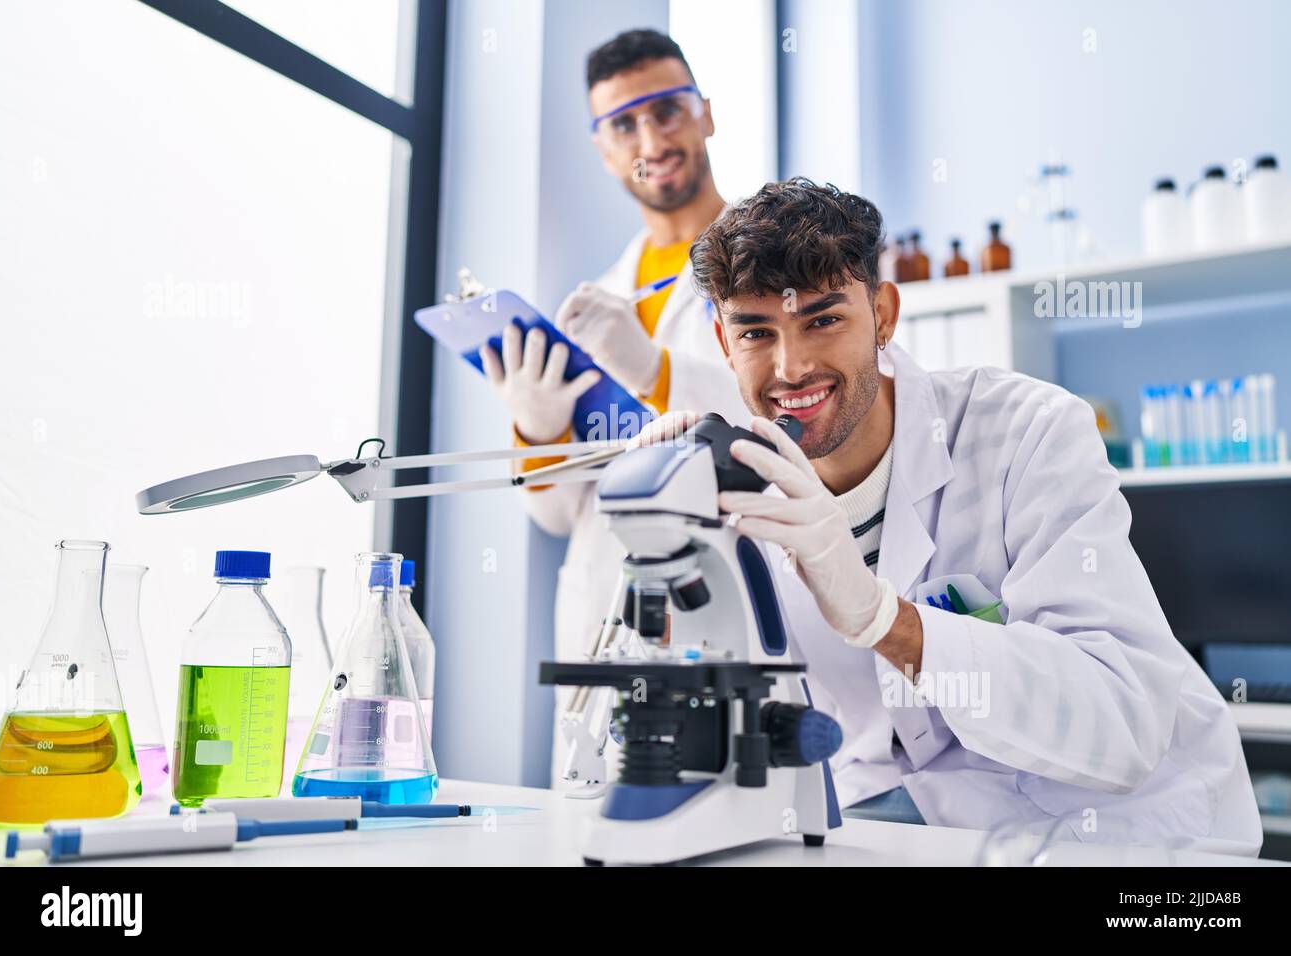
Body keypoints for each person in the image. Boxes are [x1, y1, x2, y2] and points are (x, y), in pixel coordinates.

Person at [642, 178, 1261, 854]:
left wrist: (886, 620)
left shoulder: (1026, 433)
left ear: (883, 313)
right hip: (912, 830)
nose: (792, 367)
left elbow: (1122, 723)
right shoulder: (736, 486)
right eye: (757, 332)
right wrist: (662, 528)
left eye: (823, 319)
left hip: (1125, 835)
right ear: (723, 344)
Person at [480, 30, 742, 782]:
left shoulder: (776, 267)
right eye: (623, 123)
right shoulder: (602, 295)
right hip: (606, 600)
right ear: (602, 148)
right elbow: (558, 515)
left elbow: (794, 426)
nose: (650, 138)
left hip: (725, 584)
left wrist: (656, 369)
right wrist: (539, 425)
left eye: (666, 110)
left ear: (706, 115)